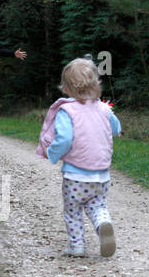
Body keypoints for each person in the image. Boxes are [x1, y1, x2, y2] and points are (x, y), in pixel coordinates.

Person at [36, 57, 122, 258]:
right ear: (95, 83)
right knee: (97, 205)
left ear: (66, 88)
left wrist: (52, 153)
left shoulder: (67, 110)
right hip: (102, 175)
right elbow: (116, 129)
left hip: (76, 175)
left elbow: (64, 139)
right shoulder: (104, 108)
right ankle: (102, 224)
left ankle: (77, 246)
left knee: (73, 210)